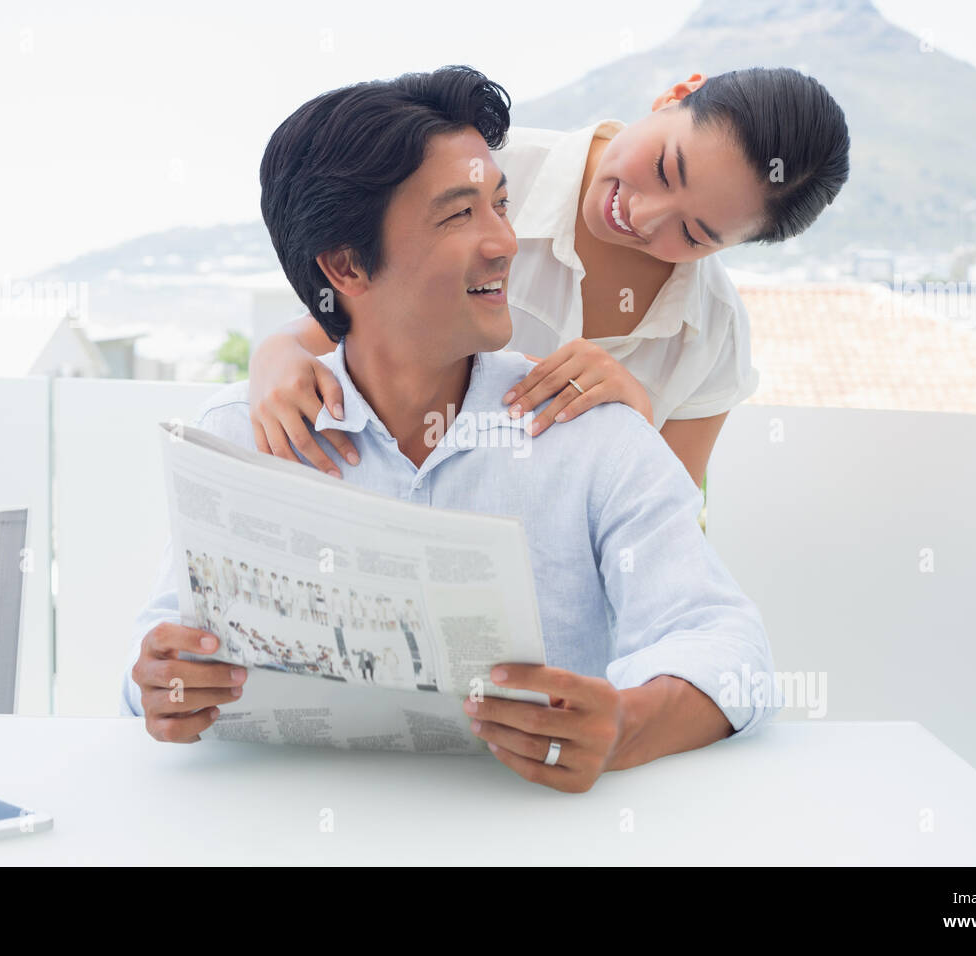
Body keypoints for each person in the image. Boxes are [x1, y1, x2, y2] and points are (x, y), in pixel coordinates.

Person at [123, 65, 774, 793]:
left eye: (501, 205)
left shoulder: (594, 437)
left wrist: (626, 722)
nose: (505, 242)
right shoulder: (240, 438)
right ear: (345, 264)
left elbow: (731, 648)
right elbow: (152, 665)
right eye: (460, 214)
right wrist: (159, 684)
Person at [244, 66, 849, 488]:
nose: (640, 215)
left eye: (695, 234)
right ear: (675, 95)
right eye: (665, 168)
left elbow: (665, 531)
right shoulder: (484, 172)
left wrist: (632, 416)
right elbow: (354, 307)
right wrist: (278, 351)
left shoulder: (711, 336)